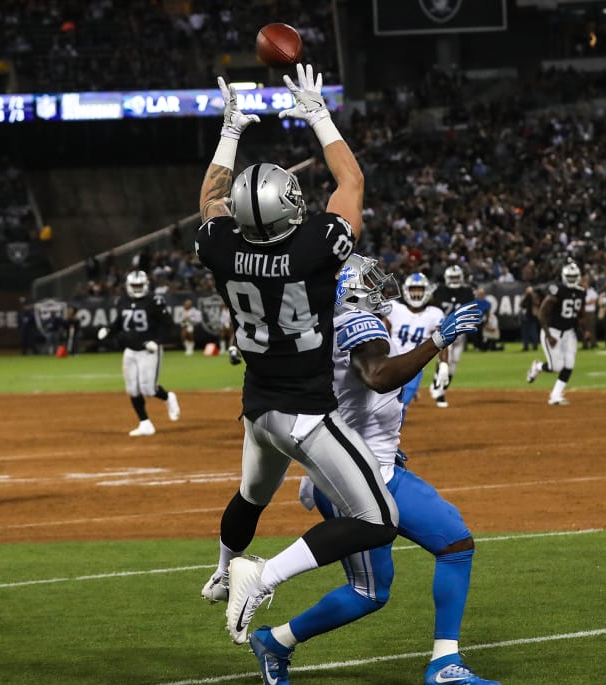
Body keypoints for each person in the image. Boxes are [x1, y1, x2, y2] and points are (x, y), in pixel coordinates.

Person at [193, 65, 478, 646]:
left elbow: (210, 201)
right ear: (289, 210)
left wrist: (230, 130)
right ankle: (259, 576)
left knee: (251, 495)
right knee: (378, 521)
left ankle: (224, 567)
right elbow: (350, 180)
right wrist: (317, 113)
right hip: (303, 413)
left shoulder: (221, 247)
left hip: (256, 407)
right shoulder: (317, 249)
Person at [245, 254, 496, 685]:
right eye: (373, 281)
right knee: (406, 572)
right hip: (360, 480)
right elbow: (378, 377)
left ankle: (278, 640)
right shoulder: (361, 322)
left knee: (413, 568)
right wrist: (438, 339)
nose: (383, 288)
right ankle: (277, 631)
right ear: (353, 290)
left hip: (355, 465)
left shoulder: (323, 324)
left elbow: (355, 397)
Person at [99, 270, 180, 437]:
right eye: (134, 286)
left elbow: (170, 326)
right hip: (130, 350)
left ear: (146, 285)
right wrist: (108, 329)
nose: (137, 289)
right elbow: (120, 322)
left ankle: (168, 397)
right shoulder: (122, 300)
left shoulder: (154, 301)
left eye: (140, 285)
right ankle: (145, 423)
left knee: (148, 389)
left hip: (148, 351)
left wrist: (156, 342)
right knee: (132, 389)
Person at [386, 272, 445, 421]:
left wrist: (444, 364)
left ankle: (390, 442)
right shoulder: (393, 308)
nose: (416, 293)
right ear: (406, 290)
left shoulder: (434, 314)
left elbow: (444, 339)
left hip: (414, 367)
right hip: (391, 363)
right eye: (413, 289)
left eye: (419, 289)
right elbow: (382, 333)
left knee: (400, 406)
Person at [527, 262, 583, 405]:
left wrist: (584, 329)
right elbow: (542, 312)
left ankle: (556, 395)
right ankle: (538, 366)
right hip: (553, 331)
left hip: (569, 333)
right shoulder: (558, 290)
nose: (572, 279)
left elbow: (578, 313)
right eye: (569, 276)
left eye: (574, 276)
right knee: (556, 366)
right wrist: (548, 334)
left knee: (569, 364)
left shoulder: (581, 291)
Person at [429, 265, 476, 407]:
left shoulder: (467, 292)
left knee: (454, 363)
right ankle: (440, 393)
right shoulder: (440, 291)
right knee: (445, 361)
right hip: (444, 332)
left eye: (457, 278)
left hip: (460, 333)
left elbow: (472, 310)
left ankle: (437, 385)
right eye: (452, 278)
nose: (454, 281)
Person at [519, 285, 540, 352]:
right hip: (526, 317)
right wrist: (526, 296)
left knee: (533, 332)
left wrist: (532, 295)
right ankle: (525, 346)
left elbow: (537, 303)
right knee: (525, 333)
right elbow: (521, 305)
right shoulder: (525, 297)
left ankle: (535, 346)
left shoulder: (535, 296)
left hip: (533, 317)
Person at [582, 280, 599, 350]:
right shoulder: (581, 291)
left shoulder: (592, 291)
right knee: (584, 329)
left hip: (591, 312)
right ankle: (585, 344)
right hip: (583, 312)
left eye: (584, 283)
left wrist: (585, 303)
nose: (583, 284)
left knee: (591, 328)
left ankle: (593, 344)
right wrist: (587, 302)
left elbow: (594, 301)